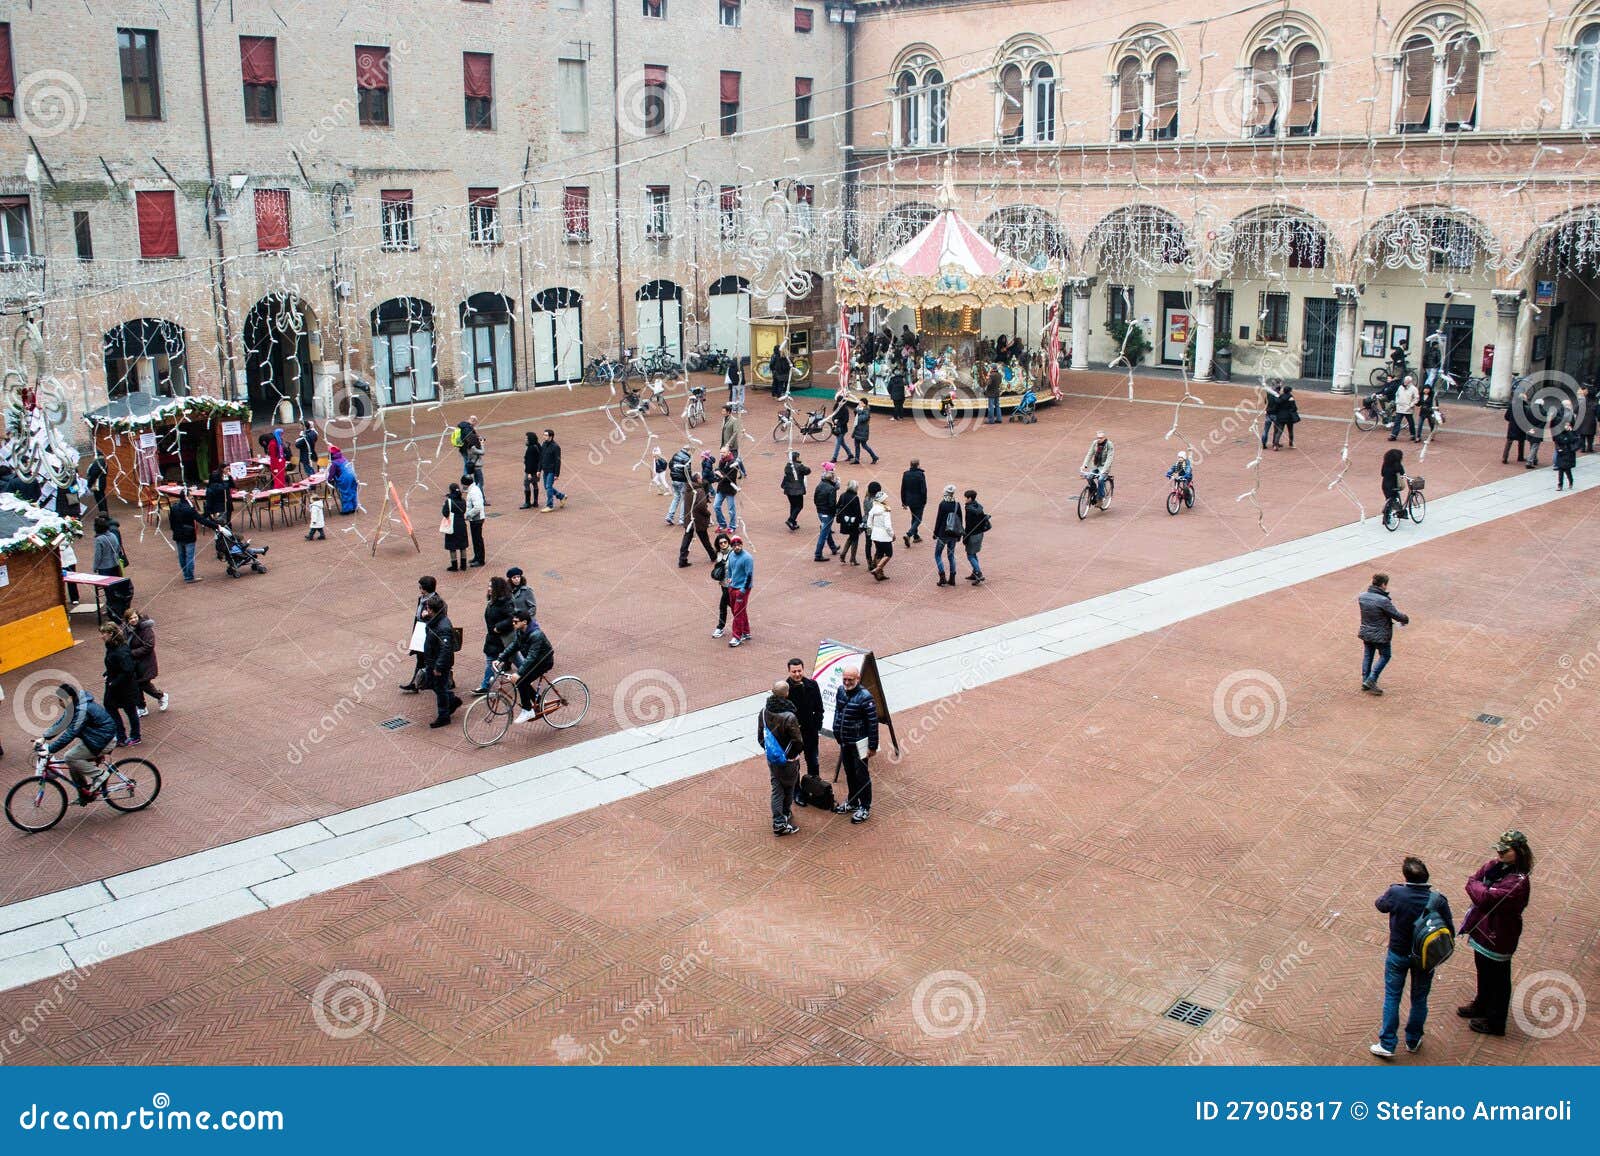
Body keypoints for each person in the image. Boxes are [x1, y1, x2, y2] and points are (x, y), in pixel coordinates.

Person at [1370, 857, 1453, 1058]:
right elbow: (1449, 928)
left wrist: (1395, 888)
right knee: (1419, 998)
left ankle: (1388, 1043)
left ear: (1406, 876)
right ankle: (1413, 1040)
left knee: (1392, 996)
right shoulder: (1437, 899)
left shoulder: (1397, 893)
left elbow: (1380, 905)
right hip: (1424, 956)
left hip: (1398, 953)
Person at [1457, 830, 1534, 1038]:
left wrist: (1479, 888)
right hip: (1482, 929)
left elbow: (1482, 896)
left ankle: (1496, 1022)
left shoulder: (1517, 883)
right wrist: (1479, 888)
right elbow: (1473, 882)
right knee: (1483, 969)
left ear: (1518, 852)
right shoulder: (1495, 866)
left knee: (1499, 979)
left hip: (1500, 935)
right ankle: (1481, 1004)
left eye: (1505, 850)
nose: (1499, 853)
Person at [41, 683, 119, 798]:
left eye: (60, 700)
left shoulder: (81, 711)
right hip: (95, 738)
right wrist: (44, 737)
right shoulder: (75, 706)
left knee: (69, 757)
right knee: (73, 762)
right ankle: (85, 793)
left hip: (103, 741)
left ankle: (99, 775)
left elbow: (70, 734)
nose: (59, 703)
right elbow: (62, 723)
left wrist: (50, 749)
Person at [831, 666, 878, 823]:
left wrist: (872, 746)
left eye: (850, 679)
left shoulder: (866, 697)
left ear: (857, 678)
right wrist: (836, 731)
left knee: (862, 776)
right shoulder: (840, 691)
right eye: (844, 679)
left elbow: (873, 723)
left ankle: (865, 807)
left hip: (859, 744)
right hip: (845, 742)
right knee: (850, 773)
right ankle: (852, 801)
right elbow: (837, 712)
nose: (846, 682)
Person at [758, 680, 803, 836]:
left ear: (772, 692)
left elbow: (761, 737)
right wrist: (791, 756)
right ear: (787, 694)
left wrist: (771, 752)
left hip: (772, 759)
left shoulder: (764, 711)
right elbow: (798, 742)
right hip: (788, 761)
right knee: (788, 788)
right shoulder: (789, 716)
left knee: (776, 788)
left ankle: (779, 820)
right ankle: (782, 819)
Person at [496, 610, 556, 723]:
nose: (513, 624)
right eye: (512, 621)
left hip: (543, 662)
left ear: (524, 622)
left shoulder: (536, 635)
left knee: (521, 681)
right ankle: (539, 701)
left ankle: (527, 710)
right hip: (534, 661)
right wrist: (500, 658)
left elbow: (532, 657)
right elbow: (514, 645)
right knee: (523, 680)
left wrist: (519, 673)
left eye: (515, 622)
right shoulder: (520, 631)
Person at [1358, 571, 1409, 695]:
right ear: (1383, 585)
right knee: (1385, 655)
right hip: (1380, 634)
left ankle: (1365, 681)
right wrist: (1405, 618)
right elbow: (1396, 615)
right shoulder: (1383, 600)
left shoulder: (1362, 596)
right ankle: (1371, 679)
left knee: (1368, 655)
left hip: (1366, 631)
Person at [419, 594, 461, 728]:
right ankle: (452, 700)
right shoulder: (436, 620)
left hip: (439, 664)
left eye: (427, 608)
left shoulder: (443, 627)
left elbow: (445, 649)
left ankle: (444, 716)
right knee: (433, 685)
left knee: (440, 688)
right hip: (432, 660)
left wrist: (438, 667)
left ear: (432, 609)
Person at [100, 622, 141, 746]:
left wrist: (113, 682)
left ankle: (135, 736)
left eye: (103, 633)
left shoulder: (120, 651)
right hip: (115, 686)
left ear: (111, 634)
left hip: (124, 688)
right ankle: (121, 735)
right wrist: (108, 672)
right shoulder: (111, 646)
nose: (101, 636)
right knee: (109, 706)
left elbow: (127, 670)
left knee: (130, 710)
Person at [122, 607, 168, 716]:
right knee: (135, 685)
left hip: (145, 662)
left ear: (138, 617)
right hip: (133, 663)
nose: (133, 620)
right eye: (130, 618)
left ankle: (160, 696)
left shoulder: (146, 629)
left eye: (135, 617)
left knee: (143, 683)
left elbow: (149, 646)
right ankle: (141, 707)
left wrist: (131, 653)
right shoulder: (126, 630)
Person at [785, 657, 824, 783]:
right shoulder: (785, 690)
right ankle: (797, 792)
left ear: (803, 669)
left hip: (810, 732)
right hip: (793, 734)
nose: (797, 674)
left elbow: (819, 708)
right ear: (789, 672)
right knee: (793, 765)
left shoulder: (812, 685)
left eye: (799, 671)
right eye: (794, 671)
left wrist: (817, 725)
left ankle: (814, 786)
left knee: (813, 761)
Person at [475, 576, 516, 695]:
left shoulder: (505, 602)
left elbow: (511, 618)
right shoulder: (492, 601)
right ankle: (485, 685)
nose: (488, 589)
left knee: (516, 659)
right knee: (490, 660)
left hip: (504, 638)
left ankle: (526, 675)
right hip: (493, 637)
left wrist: (499, 627)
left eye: (491, 586)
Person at [168, 487, 216, 583]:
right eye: (191, 497)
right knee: (189, 556)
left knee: (182, 555)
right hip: (188, 535)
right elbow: (201, 520)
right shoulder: (189, 509)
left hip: (178, 534)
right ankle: (189, 576)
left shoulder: (174, 507)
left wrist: (175, 530)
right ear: (187, 497)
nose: (192, 498)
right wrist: (216, 526)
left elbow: (171, 522)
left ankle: (186, 573)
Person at [400, 575, 438, 693]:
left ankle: (421, 683)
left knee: (430, 659)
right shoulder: (421, 598)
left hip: (429, 633)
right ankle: (415, 683)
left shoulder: (435, 601)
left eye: (420, 587)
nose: (419, 589)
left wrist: (427, 617)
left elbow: (439, 618)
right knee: (420, 657)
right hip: (420, 631)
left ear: (424, 588)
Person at [92, 514, 133, 618]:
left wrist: (95, 566)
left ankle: (112, 611)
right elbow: (118, 549)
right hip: (115, 564)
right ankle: (119, 609)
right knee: (116, 589)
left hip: (105, 567)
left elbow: (98, 555)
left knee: (108, 591)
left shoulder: (99, 539)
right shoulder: (113, 535)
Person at [679, 474, 716, 567]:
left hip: (689, 519)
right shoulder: (699, 491)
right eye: (700, 478)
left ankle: (682, 559)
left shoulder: (687, 490)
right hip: (698, 520)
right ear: (697, 480)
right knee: (705, 539)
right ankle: (713, 556)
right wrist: (708, 513)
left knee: (686, 540)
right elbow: (701, 505)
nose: (701, 479)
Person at [725, 535, 754, 647]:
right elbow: (731, 568)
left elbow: (749, 575)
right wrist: (730, 579)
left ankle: (737, 636)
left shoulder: (747, 558)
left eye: (738, 545)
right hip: (733, 586)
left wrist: (743, 590)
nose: (737, 547)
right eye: (734, 545)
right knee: (738, 611)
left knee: (737, 612)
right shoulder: (731, 555)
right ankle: (746, 631)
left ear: (742, 545)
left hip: (743, 589)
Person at [933, 484, 962, 586]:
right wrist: (959, 535)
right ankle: (952, 578)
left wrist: (935, 533)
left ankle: (942, 577)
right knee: (951, 556)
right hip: (953, 535)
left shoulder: (942, 504)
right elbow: (960, 521)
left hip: (942, 534)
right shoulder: (957, 505)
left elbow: (939, 520)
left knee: (937, 555)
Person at [812, 463, 840, 561]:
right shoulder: (831, 489)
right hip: (828, 513)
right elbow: (832, 504)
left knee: (826, 530)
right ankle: (818, 554)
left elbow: (815, 499)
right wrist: (835, 512)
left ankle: (833, 547)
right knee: (823, 534)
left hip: (820, 511)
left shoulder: (819, 485)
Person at [963, 489, 991, 584]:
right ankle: (975, 572)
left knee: (970, 555)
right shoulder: (979, 507)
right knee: (974, 553)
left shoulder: (969, 509)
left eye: (966, 498)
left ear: (970, 498)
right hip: (980, 533)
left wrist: (965, 536)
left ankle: (978, 573)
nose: (965, 500)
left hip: (972, 534)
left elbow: (968, 525)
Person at [710, 530, 735, 638]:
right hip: (723, 585)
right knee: (733, 606)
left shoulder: (733, 554)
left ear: (728, 542)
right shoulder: (719, 553)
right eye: (721, 543)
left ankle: (720, 627)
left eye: (725, 542)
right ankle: (742, 624)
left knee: (723, 605)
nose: (723, 544)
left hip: (732, 585)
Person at [441, 482, 469, 572]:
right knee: (462, 545)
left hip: (452, 526)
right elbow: (464, 510)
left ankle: (454, 566)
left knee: (452, 546)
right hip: (461, 525)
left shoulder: (448, 501)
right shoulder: (463, 500)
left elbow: (445, 513)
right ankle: (463, 565)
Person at [836, 479, 864, 566]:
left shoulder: (843, 495)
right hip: (853, 522)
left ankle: (843, 554)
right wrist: (861, 522)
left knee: (852, 537)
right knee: (855, 538)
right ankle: (852, 558)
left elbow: (838, 507)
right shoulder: (855, 497)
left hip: (844, 521)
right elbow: (858, 512)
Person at [1081, 431, 1114, 504]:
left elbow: (1109, 458)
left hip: (1104, 466)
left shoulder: (1109, 445)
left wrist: (1104, 470)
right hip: (1095, 465)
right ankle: (1094, 490)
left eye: (1101, 438)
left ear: (1105, 438)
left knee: (1100, 479)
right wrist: (1084, 465)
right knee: (1089, 477)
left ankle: (1100, 498)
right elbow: (1089, 454)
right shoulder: (1095, 443)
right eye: (1098, 438)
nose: (1099, 439)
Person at [462, 473, 487, 568]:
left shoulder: (473, 492)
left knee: (477, 539)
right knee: (475, 539)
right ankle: (477, 556)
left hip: (477, 519)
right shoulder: (473, 489)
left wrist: (468, 515)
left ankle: (480, 559)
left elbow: (477, 507)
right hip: (475, 518)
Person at [781, 451, 809, 531]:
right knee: (799, 506)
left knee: (793, 505)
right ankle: (790, 520)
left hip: (788, 489)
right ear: (796, 458)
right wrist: (800, 463)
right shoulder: (799, 466)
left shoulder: (788, 465)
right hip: (797, 490)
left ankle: (793, 522)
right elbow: (807, 471)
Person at [900, 459, 926, 546]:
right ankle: (909, 534)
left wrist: (903, 501)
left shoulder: (906, 474)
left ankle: (916, 536)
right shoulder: (920, 474)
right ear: (918, 465)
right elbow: (923, 489)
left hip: (909, 500)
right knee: (918, 519)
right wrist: (924, 500)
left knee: (914, 517)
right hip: (919, 500)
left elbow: (903, 488)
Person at [713, 448, 741, 532]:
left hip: (729, 490)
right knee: (716, 506)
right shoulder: (722, 460)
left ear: (728, 453)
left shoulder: (733, 463)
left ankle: (732, 526)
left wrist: (721, 475)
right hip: (721, 488)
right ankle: (722, 524)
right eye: (720, 452)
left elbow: (732, 477)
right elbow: (718, 470)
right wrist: (717, 472)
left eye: (723, 452)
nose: (721, 453)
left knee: (731, 510)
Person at [327, 445, 360, 514]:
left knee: (346, 493)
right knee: (353, 491)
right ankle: (354, 506)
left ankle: (347, 509)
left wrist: (329, 479)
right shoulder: (343, 458)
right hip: (353, 476)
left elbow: (331, 473)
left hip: (345, 478)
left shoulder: (334, 463)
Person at [539, 429, 566, 510]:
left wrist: (556, 474)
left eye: (546, 435)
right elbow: (541, 458)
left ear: (551, 436)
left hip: (551, 470)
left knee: (548, 487)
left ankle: (549, 505)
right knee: (547, 487)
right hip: (545, 470)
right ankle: (562, 496)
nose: (544, 436)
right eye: (544, 435)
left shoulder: (556, 447)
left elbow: (558, 461)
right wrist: (539, 470)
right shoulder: (543, 444)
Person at [666, 444, 692, 525]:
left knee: (676, 497)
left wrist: (674, 473)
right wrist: (690, 481)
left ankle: (670, 516)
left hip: (674, 479)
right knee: (684, 499)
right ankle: (682, 518)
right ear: (689, 450)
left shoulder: (675, 455)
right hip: (682, 480)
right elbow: (687, 471)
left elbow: (670, 464)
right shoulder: (687, 458)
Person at [1502, 383, 1528, 464]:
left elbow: (1506, 416)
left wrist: (1511, 420)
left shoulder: (1512, 405)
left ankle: (1504, 457)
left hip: (1512, 426)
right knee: (1521, 442)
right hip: (1521, 427)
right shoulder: (1525, 408)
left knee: (1509, 442)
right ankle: (1520, 457)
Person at [1380, 446, 1406, 525]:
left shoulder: (1385, 464)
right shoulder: (1397, 465)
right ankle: (1398, 512)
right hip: (1394, 485)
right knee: (1395, 498)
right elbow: (1402, 473)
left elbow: (1382, 473)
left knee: (1389, 499)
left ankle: (1387, 515)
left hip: (1385, 484)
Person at [1389, 375, 1419, 442]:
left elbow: (1416, 398)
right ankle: (1394, 435)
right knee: (1397, 422)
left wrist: (1411, 405)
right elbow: (1397, 395)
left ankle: (1413, 435)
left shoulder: (1414, 389)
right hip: (1400, 408)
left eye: (1407, 381)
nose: (1405, 382)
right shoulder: (1400, 387)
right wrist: (1397, 402)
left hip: (1408, 409)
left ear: (1410, 382)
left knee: (1410, 422)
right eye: (1405, 381)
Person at [1553, 417, 1579, 490]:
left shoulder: (1572, 433)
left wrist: (1570, 432)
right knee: (1560, 470)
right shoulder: (1559, 433)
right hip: (1561, 453)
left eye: (1567, 425)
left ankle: (1571, 481)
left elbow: (1575, 441)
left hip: (1568, 454)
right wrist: (1558, 449)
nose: (1566, 427)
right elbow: (1556, 442)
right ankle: (1560, 485)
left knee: (1568, 471)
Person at [852, 399, 880, 465]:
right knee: (856, 445)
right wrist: (857, 410)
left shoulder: (866, 411)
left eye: (861, 403)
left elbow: (862, 418)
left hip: (863, 431)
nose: (859, 404)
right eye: (859, 403)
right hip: (857, 430)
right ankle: (857, 459)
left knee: (864, 445)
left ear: (864, 404)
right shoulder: (860, 410)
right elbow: (855, 414)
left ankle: (874, 457)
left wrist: (858, 411)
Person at [829, 396, 856, 464]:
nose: (839, 403)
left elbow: (846, 420)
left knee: (838, 443)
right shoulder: (836, 407)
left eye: (841, 401)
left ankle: (834, 457)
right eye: (839, 401)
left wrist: (838, 422)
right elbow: (833, 416)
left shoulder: (845, 409)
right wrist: (834, 420)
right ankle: (850, 455)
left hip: (842, 428)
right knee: (842, 443)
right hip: (837, 427)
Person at [521, 431, 542, 509]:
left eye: (526, 438)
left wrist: (528, 473)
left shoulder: (530, 448)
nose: (525, 439)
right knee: (535, 484)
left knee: (526, 484)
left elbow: (529, 462)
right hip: (537, 470)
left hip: (530, 471)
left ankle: (527, 502)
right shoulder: (538, 445)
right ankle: (536, 502)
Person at [1578, 381, 1598, 453]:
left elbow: (1576, 410)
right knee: (1590, 437)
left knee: (1582, 436)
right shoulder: (1595, 401)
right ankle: (1590, 448)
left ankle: (1582, 448)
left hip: (1582, 421)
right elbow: (1597, 412)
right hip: (1591, 421)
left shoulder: (1582, 400)